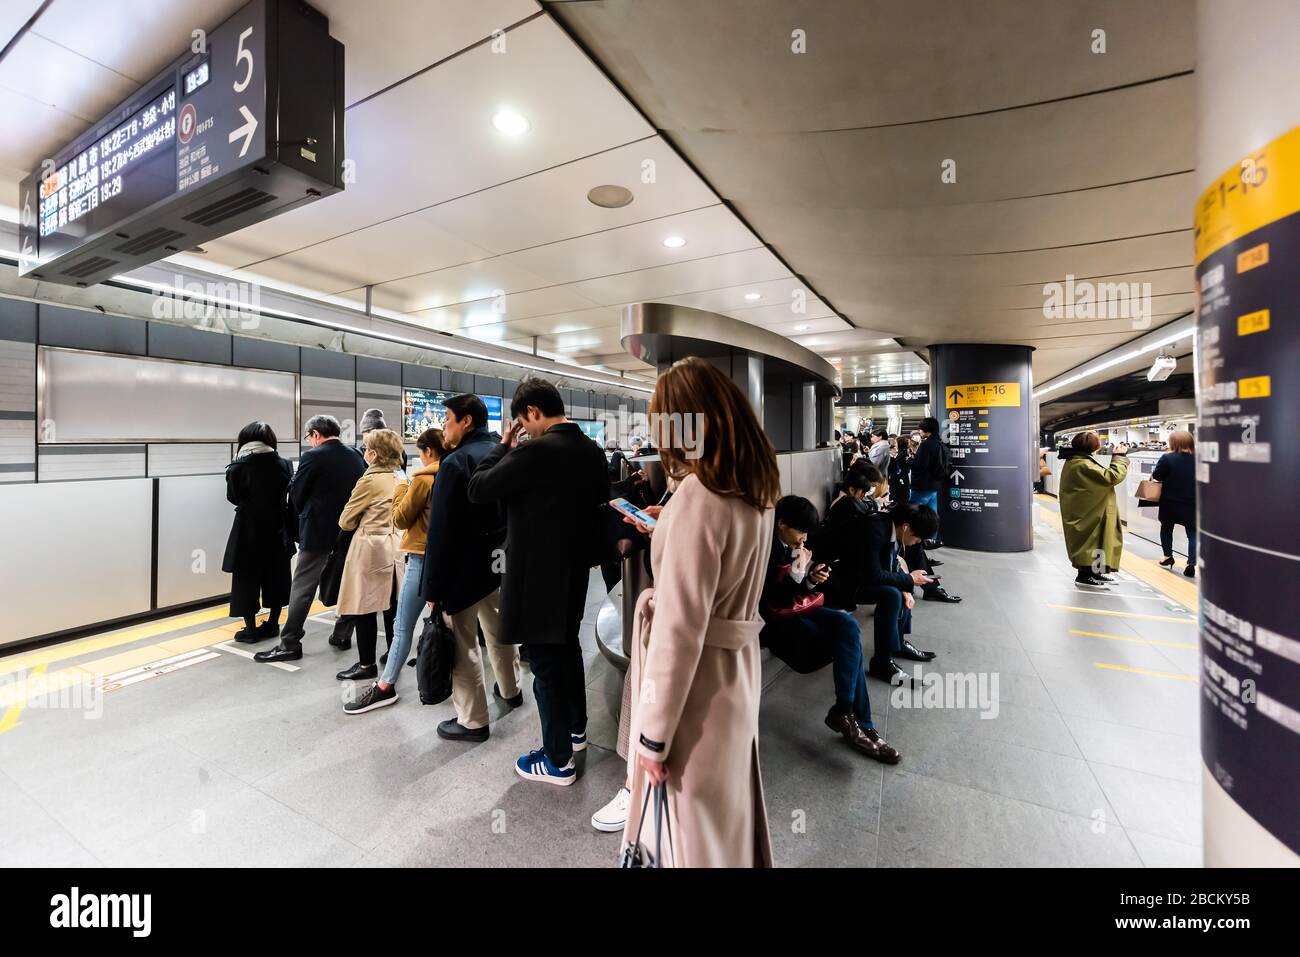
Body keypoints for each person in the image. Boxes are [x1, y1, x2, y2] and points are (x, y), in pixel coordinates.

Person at [620, 356, 779, 867]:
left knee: (684, 838)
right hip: (736, 677)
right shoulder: (756, 490)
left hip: (695, 695)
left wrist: (653, 736)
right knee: (722, 827)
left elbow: (678, 630)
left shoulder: (697, 497)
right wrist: (672, 524)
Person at [467, 378, 611, 785]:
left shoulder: (535, 451)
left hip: (536, 576)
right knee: (567, 649)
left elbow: (478, 488)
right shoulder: (591, 450)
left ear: (531, 412)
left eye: (522, 422)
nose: (523, 429)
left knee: (545, 664)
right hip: (574, 573)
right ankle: (577, 731)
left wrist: (503, 446)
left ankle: (557, 759)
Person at [761, 496, 901, 763]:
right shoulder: (763, 547)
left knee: (848, 627)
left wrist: (810, 579)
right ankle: (861, 723)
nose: (803, 539)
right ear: (781, 524)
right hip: (777, 622)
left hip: (798, 610)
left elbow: (798, 591)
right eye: (799, 531)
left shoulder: (792, 544)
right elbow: (773, 600)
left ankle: (848, 713)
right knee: (849, 644)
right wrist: (798, 574)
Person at [420, 394, 521, 743]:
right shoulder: (503, 451)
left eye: (447, 418)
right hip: (498, 560)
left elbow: (442, 531)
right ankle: (511, 689)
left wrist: (432, 587)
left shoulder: (455, 463)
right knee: (499, 630)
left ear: (466, 421)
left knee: (463, 644)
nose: (443, 425)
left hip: (461, 570)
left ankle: (473, 720)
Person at [345, 427, 445, 714]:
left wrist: (404, 487)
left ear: (427, 452)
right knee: (448, 626)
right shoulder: (454, 473)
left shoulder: (421, 479)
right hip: (443, 558)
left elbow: (400, 518)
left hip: (418, 556)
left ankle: (385, 686)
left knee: (402, 626)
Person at [256, 415, 366, 663]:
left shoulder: (313, 457)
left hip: (317, 532)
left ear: (316, 434)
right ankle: (342, 634)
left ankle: (290, 642)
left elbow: (296, 494)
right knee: (348, 582)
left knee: (303, 587)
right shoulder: (355, 456)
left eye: (309, 437)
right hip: (350, 532)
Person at [333, 428, 405, 682]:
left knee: (364, 607)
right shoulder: (399, 479)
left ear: (375, 454)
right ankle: (392, 656)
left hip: (370, 548)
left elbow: (346, 520)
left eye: (366, 449)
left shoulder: (369, 481)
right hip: (394, 546)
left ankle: (366, 665)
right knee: (391, 607)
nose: (364, 452)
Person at [223, 421, 293, 643]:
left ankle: (250, 629)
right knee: (277, 576)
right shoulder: (284, 464)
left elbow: (233, 497)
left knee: (246, 579)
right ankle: (273, 625)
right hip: (277, 530)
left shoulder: (237, 468)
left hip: (248, 532)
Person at [857, 503, 940, 684]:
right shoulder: (875, 529)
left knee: (902, 588)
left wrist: (907, 584)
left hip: (864, 578)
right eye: (918, 538)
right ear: (906, 527)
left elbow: (891, 565)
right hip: (847, 583)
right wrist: (908, 580)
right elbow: (874, 574)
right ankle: (882, 663)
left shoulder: (890, 527)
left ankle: (898, 642)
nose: (917, 543)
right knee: (892, 594)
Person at [1058, 431, 1129, 588]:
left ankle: (1094, 573)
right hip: (1088, 513)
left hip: (1090, 510)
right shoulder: (1082, 464)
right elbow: (1111, 476)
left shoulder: (1077, 461)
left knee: (1098, 541)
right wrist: (1119, 457)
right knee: (1091, 541)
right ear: (1093, 446)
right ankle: (1084, 576)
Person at [1152, 430, 1197, 578]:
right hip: (1192, 502)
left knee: (1166, 528)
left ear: (1173, 442)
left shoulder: (1167, 458)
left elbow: (1157, 476)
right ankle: (1191, 564)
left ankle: (1167, 557)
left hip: (1169, 502)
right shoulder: (1198, 459)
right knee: (1192, 533)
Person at [909, 417, 949, 548]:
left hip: (922, 486)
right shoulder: (939, 443)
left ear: (927, 431)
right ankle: (931, 539)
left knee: (913, 512)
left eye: (921, 429)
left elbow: (921, 465)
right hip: (934, 485)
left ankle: (913, 540)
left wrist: (909, 461)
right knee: (932, 514)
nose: (920, 431)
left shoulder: (926, 444)